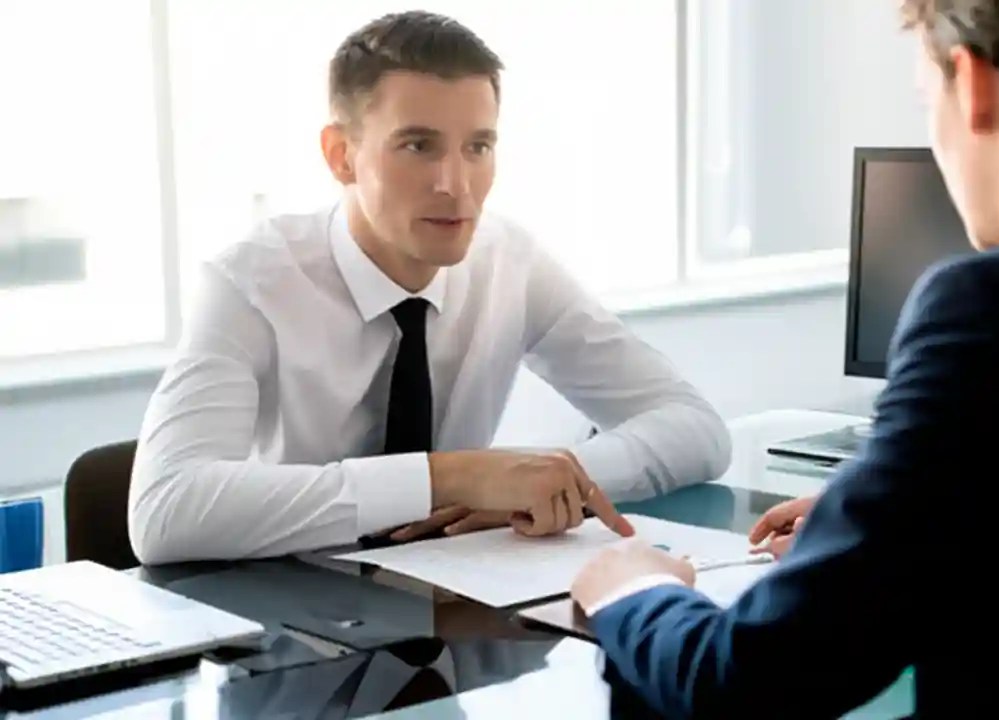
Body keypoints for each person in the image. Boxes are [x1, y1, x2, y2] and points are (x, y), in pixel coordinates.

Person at [571, 1, 999, 717]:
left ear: (971, 84)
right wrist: (901, 504)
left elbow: (751, 679)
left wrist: (634, 590)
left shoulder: (993, 304)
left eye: (921, 100)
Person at [127, 11, 731, 565]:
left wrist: (542, 478)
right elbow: (165, 510)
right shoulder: (250, 282)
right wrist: (449, 478)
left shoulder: (511, 263)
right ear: (342, 155)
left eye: (478, 147)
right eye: (418, 146)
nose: (455, 185)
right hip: (286, 625)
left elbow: (696, 429)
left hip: (455, 608)